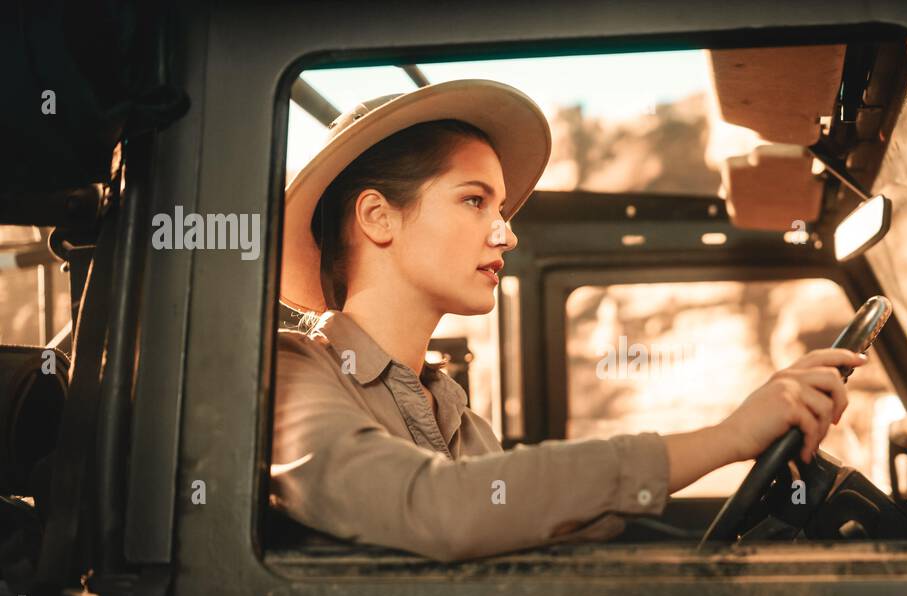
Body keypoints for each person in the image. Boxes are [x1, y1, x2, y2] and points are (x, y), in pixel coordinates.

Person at [271, 79, 866, 561]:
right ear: (378, 216)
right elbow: (435, 509)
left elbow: (528, 529)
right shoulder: (290, 374)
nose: (507, 233)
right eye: (475, 201)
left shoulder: (456, 416)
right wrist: (725, 439)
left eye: (501, 208)